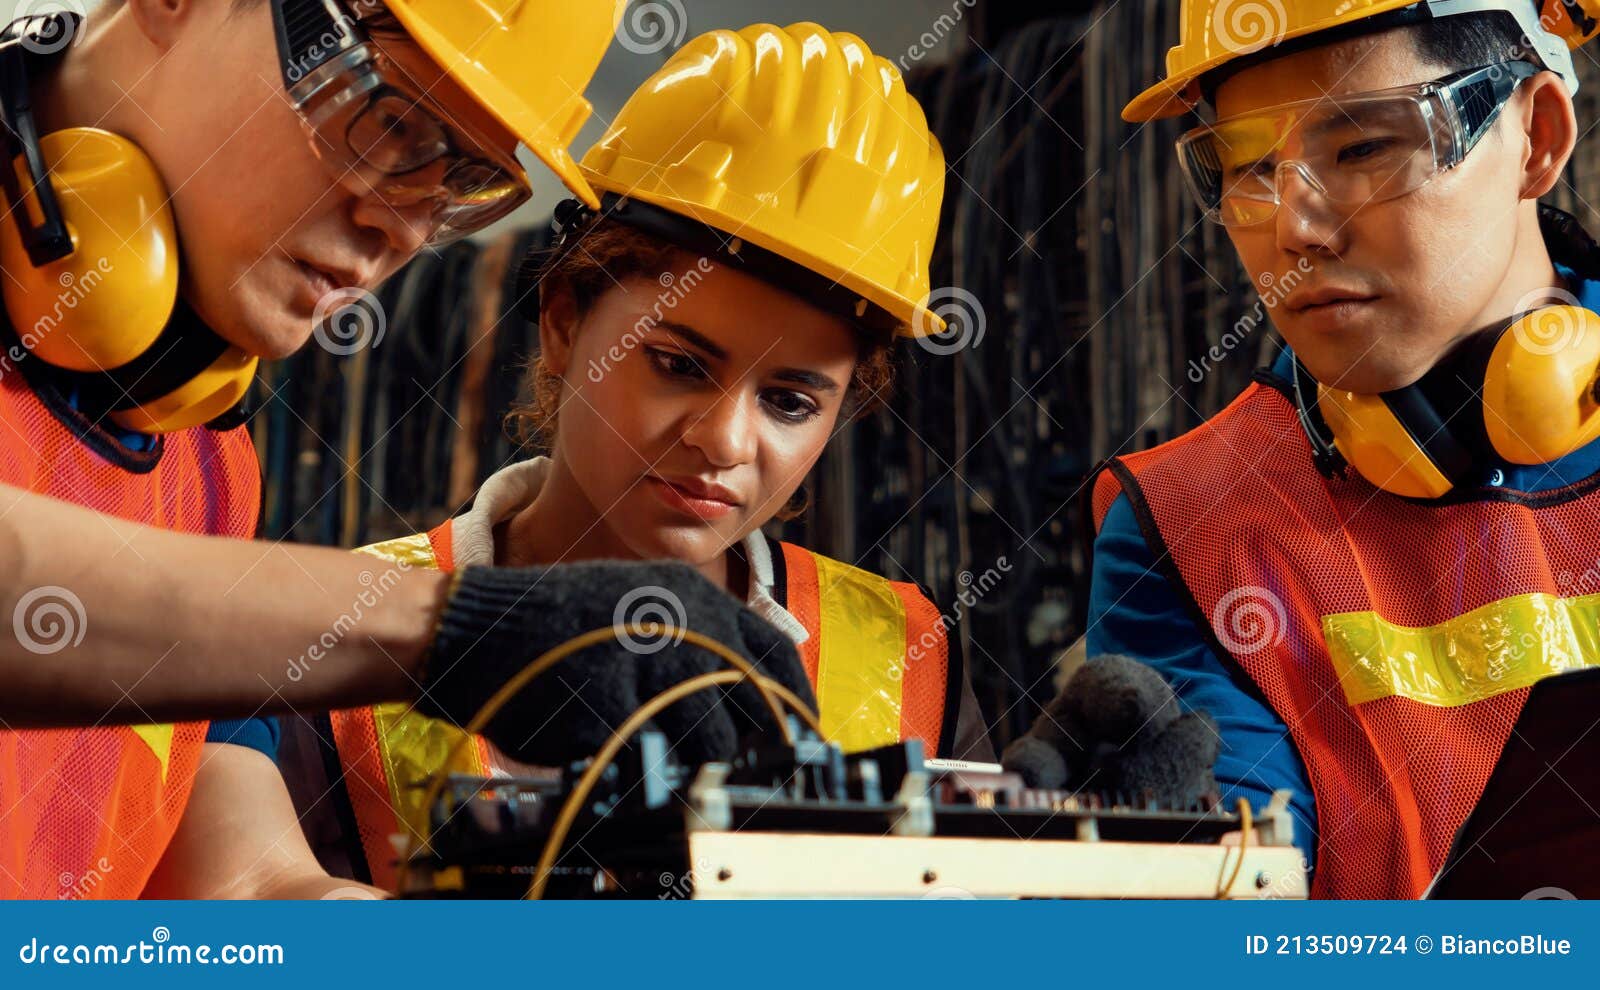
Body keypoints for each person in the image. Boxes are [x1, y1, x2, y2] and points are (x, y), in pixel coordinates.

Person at [0, 0, 808, 900]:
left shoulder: (205, 465)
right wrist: (466, 629)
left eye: (461, 181)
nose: (408, 230)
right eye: (388, 120)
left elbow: (248, 890)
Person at [256, 21, 995, 890]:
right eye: (678, 365)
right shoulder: (328, 646)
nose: (724, 441)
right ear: (564, 323)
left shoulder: (911, 656)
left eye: (790, 402)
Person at [1043, 0, 1600, 898]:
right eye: (1250, 167)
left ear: (1535, 138)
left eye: (1364, 147)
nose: (1293, 228)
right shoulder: (1188, 528)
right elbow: (1248, 917)